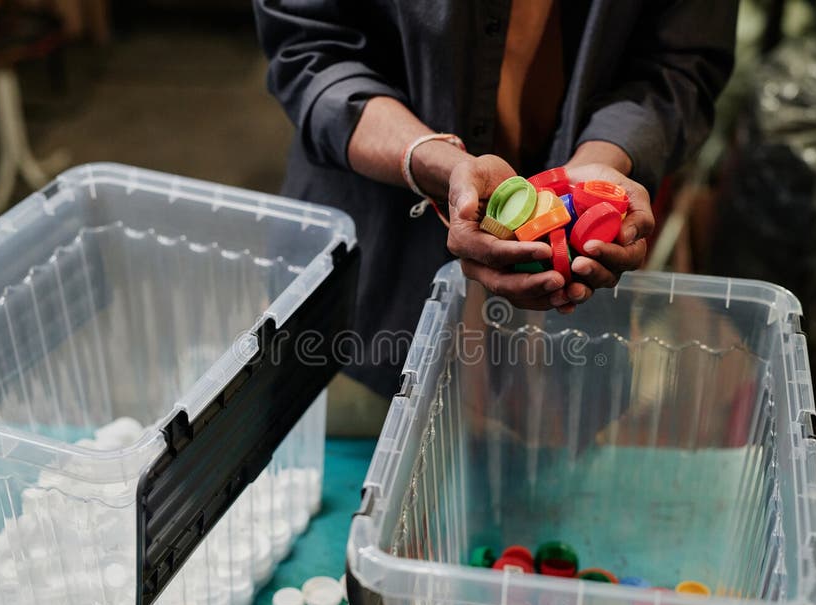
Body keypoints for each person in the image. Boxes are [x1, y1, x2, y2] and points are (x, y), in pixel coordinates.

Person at [253, 0, 738, 408]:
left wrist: (596, 169)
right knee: (353, 466)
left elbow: (680, 62)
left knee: (537, 482)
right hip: (370, 290)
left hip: (565, 344)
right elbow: (309, 46)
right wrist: (432, 161)